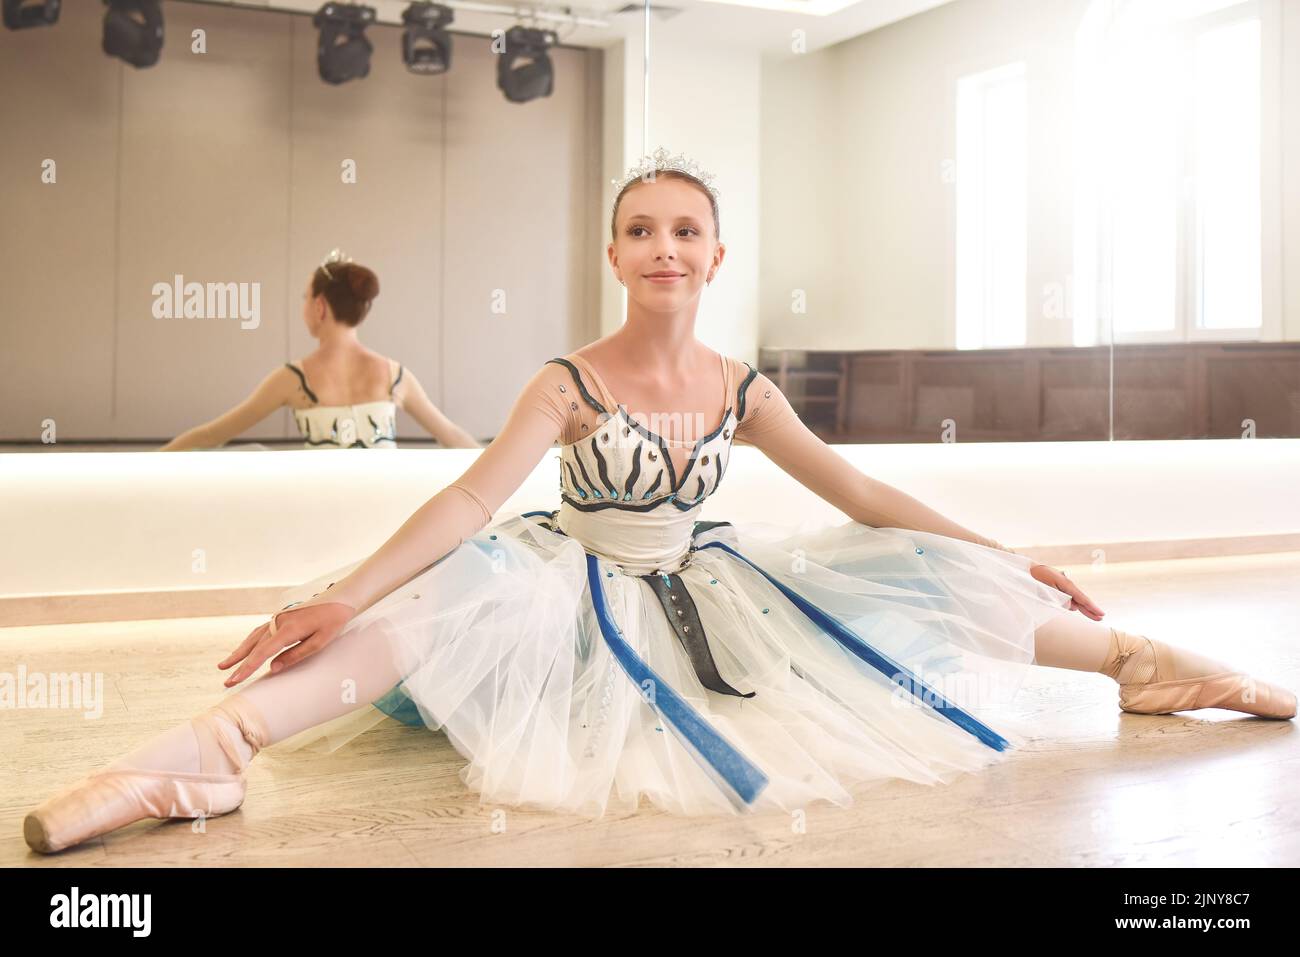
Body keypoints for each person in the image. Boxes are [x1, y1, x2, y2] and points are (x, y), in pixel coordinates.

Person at [24, 150, 1295, 853]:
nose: (666, 249)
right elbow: (471, 502)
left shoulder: (742, 386)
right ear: (616, 253)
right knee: (430, 610)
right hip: (560, 576)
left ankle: (1145, 665)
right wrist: (335, 591)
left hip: (712, 585)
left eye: (687, 230)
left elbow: (858, 490)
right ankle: (202, 759)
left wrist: (1010, 553)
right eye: (643, 230)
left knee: (911, 577)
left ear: (716, 254)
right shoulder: (566, 378)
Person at [160, 251, 479, 451]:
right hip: (388, 524)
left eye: (304, 298)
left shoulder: (291, 380)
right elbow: (451, 436)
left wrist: (143, 466)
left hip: (324, 519)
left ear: (319, 306)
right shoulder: (395, 376)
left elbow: (211, 435)